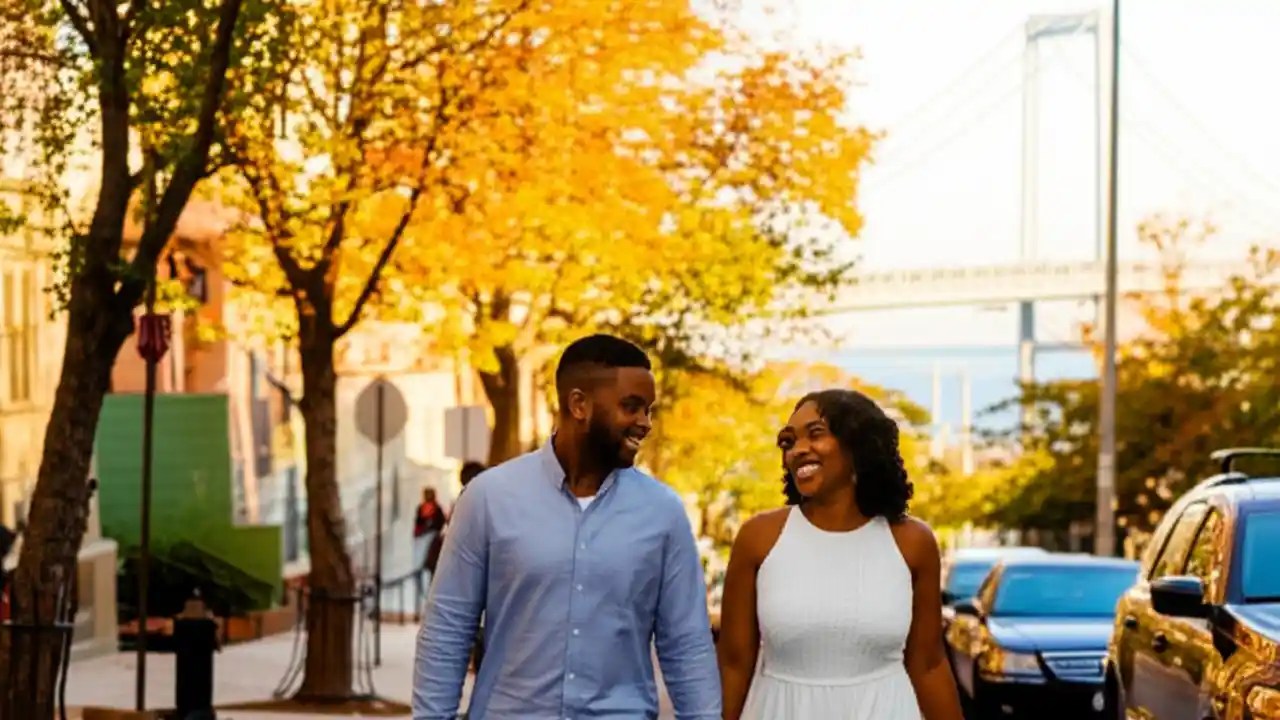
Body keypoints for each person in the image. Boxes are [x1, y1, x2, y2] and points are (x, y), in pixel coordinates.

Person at [413, 333, 720, 719]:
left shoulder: (663, 512)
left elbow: (686, 644)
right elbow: (447, 631)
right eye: (631, 407)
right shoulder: (489, 498)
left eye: (648, 410)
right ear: (579, 404)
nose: (645, 423)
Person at [717, 389, 964, 720]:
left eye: (815, 434)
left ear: (858, 445)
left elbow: (929, 664)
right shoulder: (758, 538)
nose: (798, 450)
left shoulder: (912, 542)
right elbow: (733, 663)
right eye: (789, 442)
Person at [413, 488, 446, 601]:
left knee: (433, 568)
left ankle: (431, 594)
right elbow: (417, 523)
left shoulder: (437, 509)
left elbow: (440, 523)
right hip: (422, 540)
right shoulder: (421, 508)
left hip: (432, 540)